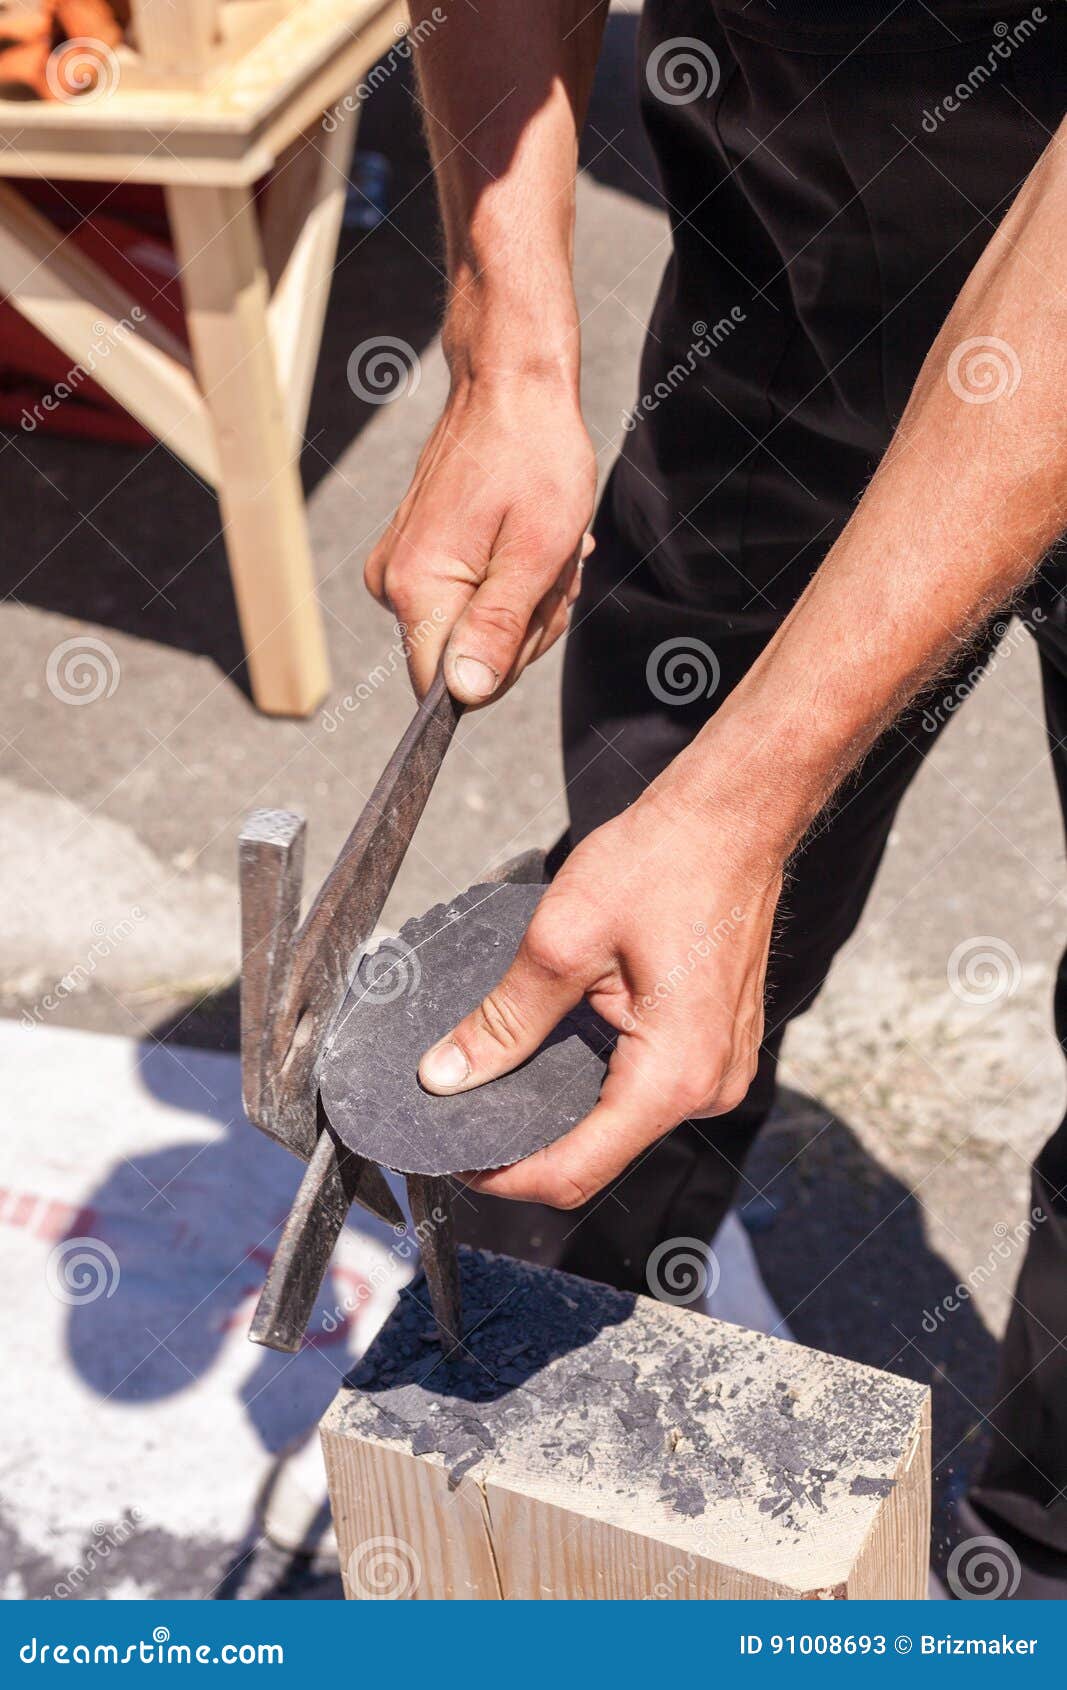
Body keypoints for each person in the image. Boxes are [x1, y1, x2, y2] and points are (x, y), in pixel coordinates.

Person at [364, 1, 1067, 1593]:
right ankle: (521, 1495)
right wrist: (508, 340)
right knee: (620, 952)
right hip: (801, 283)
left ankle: (1035, 1577)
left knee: (691, 849)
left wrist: (750, 795)